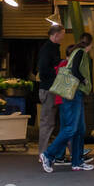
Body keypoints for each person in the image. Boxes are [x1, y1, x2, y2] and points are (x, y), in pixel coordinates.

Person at [39, 34, 93, 172]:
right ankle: (48, 155)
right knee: (71, 128)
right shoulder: (81, 52)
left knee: (80, 129)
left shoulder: (75, 52)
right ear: (90, 44)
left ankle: (77, 161)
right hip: (74, 93)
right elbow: (75, 70)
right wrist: (84, 80)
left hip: (75, 94)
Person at [36, 24, 65, 155]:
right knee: (47, 123)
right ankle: (43, 153)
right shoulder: (48, 49)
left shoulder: (52, 48)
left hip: (52, 89)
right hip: (49, 90)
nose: (63, 38)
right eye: (62, 35)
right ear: (56, 34)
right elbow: (43, 71)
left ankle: (56, 152)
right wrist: (58, 72)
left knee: (51, 123)